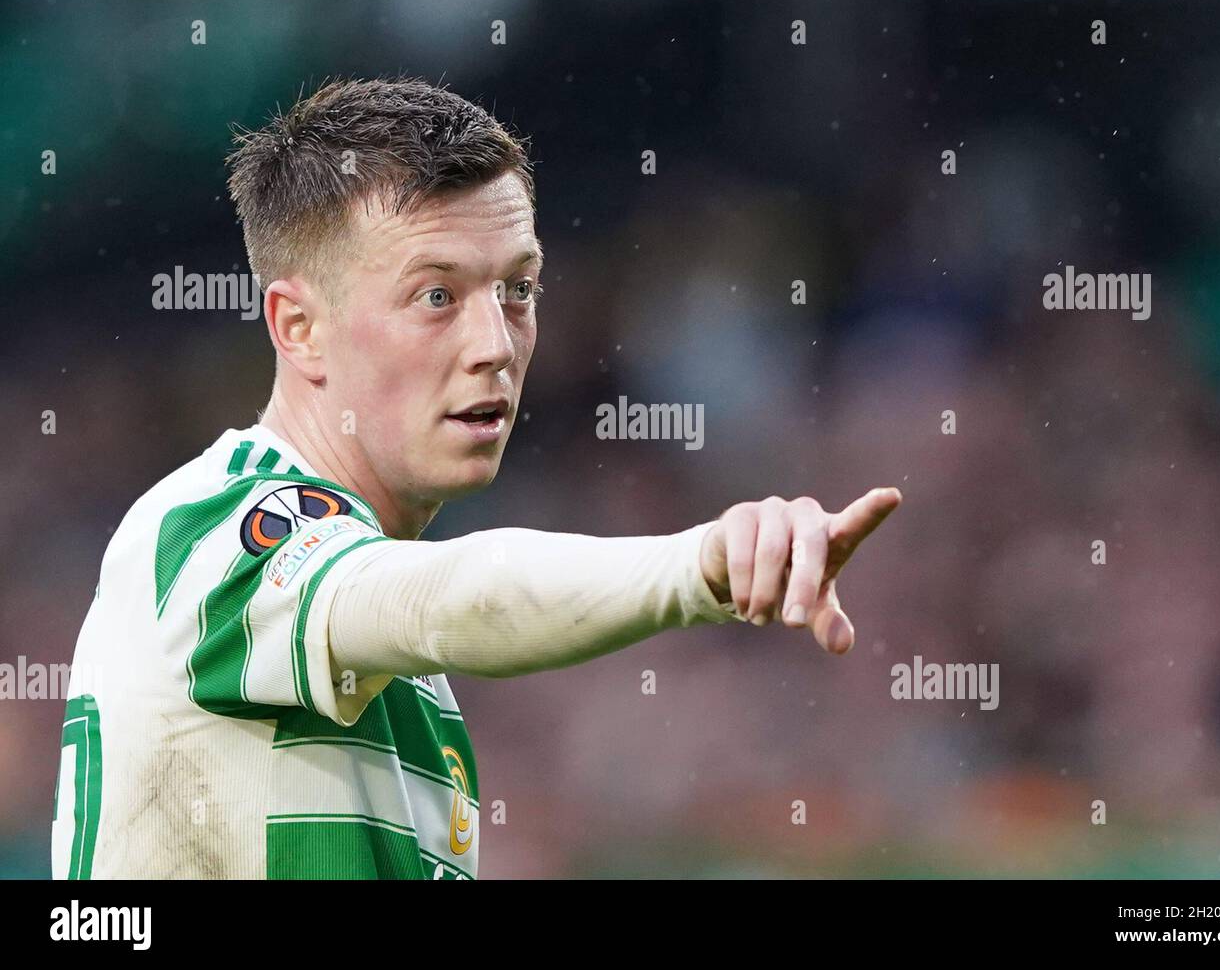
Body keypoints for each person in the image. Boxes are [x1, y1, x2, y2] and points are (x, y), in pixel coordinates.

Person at [52, 77, 901, 879]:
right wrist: (695, 566)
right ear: (300, 327)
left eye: (518, 289)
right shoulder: (218, 525)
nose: (497, 342)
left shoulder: (396, 671)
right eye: (436, 296)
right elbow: (458, 597)